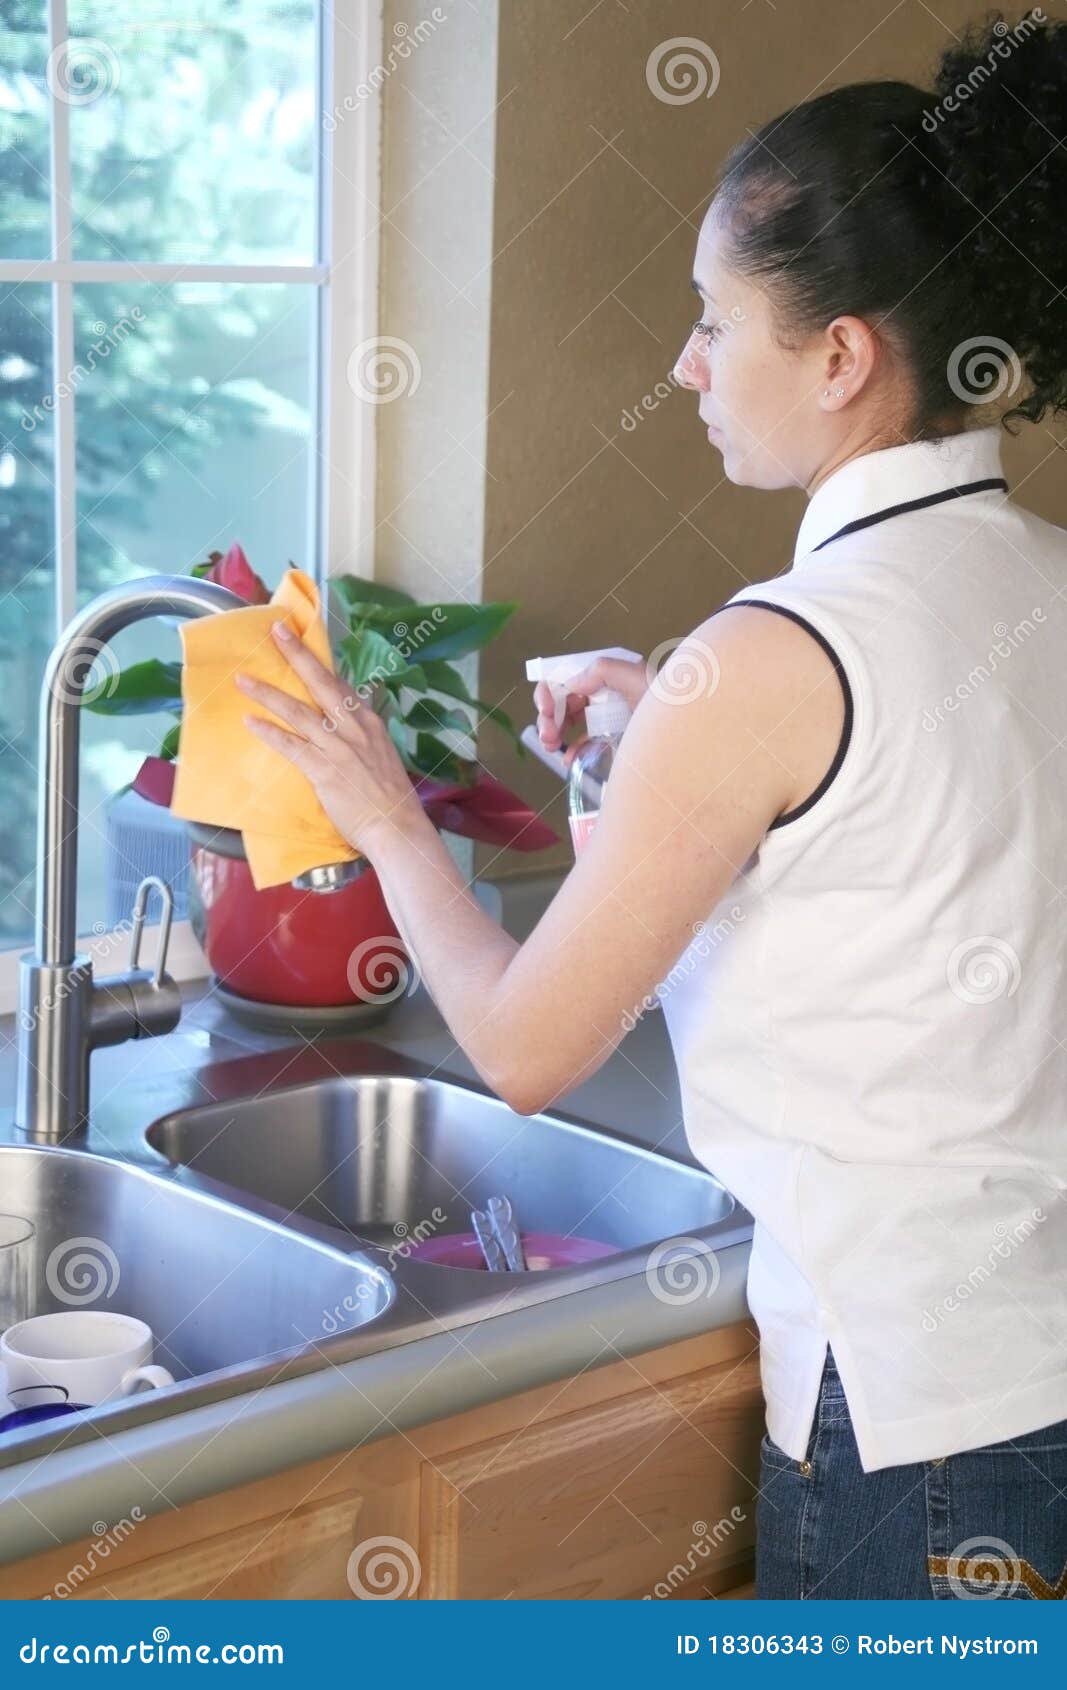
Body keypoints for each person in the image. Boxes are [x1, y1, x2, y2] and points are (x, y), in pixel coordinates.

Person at [236, 13, 1067, 1600]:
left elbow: (524, 1049)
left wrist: (386, 811)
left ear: (839, 356)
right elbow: (913, 846)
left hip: (906, 1424)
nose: (684, 361)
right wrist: (666, 726)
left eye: (712, 319)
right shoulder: (1036, 580)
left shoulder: (766, 661)